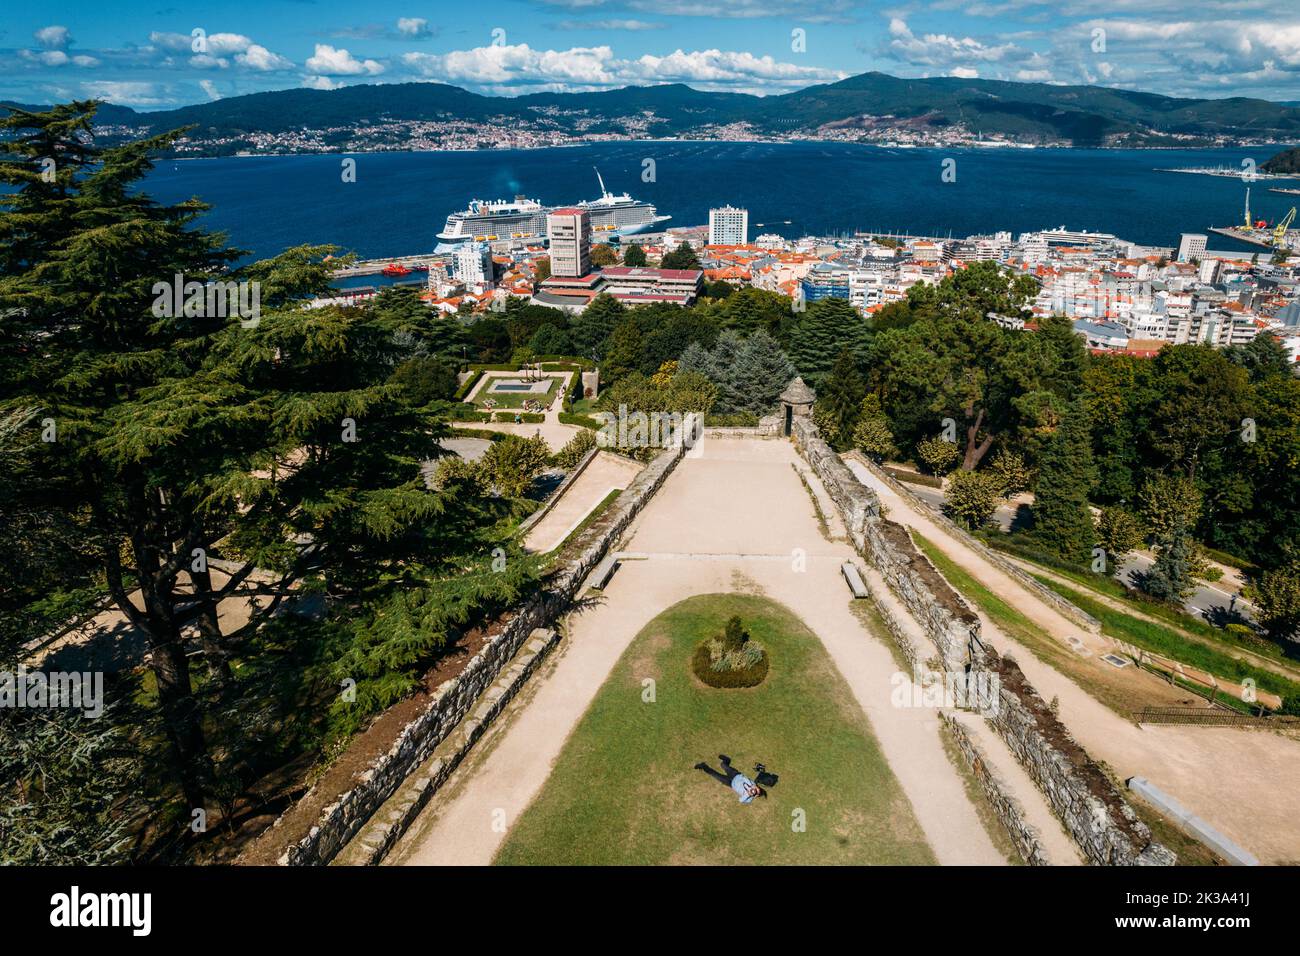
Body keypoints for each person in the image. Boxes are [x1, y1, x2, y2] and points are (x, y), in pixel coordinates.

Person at [694, 754, 766, 804]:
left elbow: (740, 800)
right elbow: (744, 777)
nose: (754, 790)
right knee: (723, 765)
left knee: (715, 775)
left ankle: (703, 766)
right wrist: (752, 786)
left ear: (756, 796)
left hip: (730, 783)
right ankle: (727, 760)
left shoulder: (749, 799)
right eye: (756, 789)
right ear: (757, 787)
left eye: (756, 793)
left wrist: (749, 794)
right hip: (735, 774)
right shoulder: (752, 783)